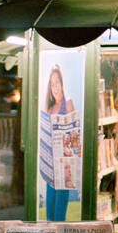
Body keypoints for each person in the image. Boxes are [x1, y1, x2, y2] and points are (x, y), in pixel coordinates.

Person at [39, 64, 78, 221]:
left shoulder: (68, 104)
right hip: (50, 168)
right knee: (49, 215)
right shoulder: (48, 109)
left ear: (62, 84)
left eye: (57, 82)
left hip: (64, 167)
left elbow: (75, 137)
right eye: (52, 83)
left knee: (59, 217)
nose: (55, 87)